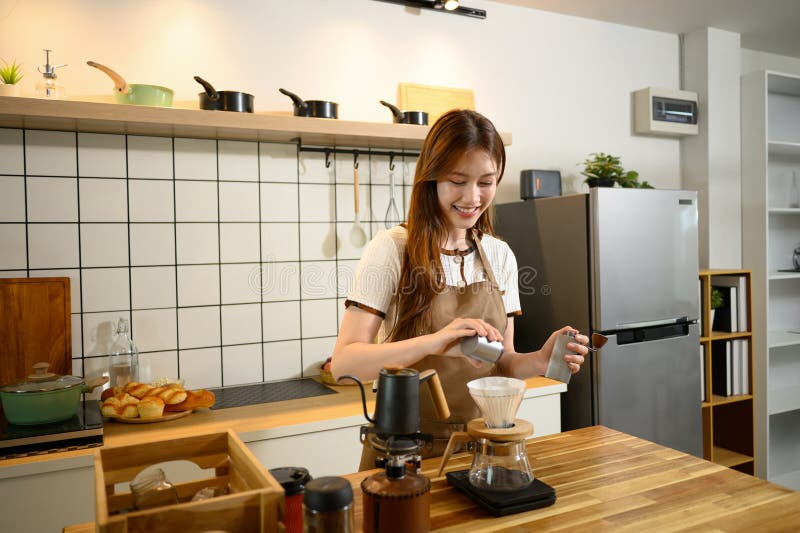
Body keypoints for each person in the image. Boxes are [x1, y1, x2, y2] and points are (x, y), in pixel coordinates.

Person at [330, 109, 589, 469]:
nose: (472, 197)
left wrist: (540, 361)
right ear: (431, 178)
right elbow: (345, 364)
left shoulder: (499, 255)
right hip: (405, 455)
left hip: (484, 448)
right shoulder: (391, 248)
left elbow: (503, 363)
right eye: (457, 180)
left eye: (486, 182)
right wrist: (436, 342)